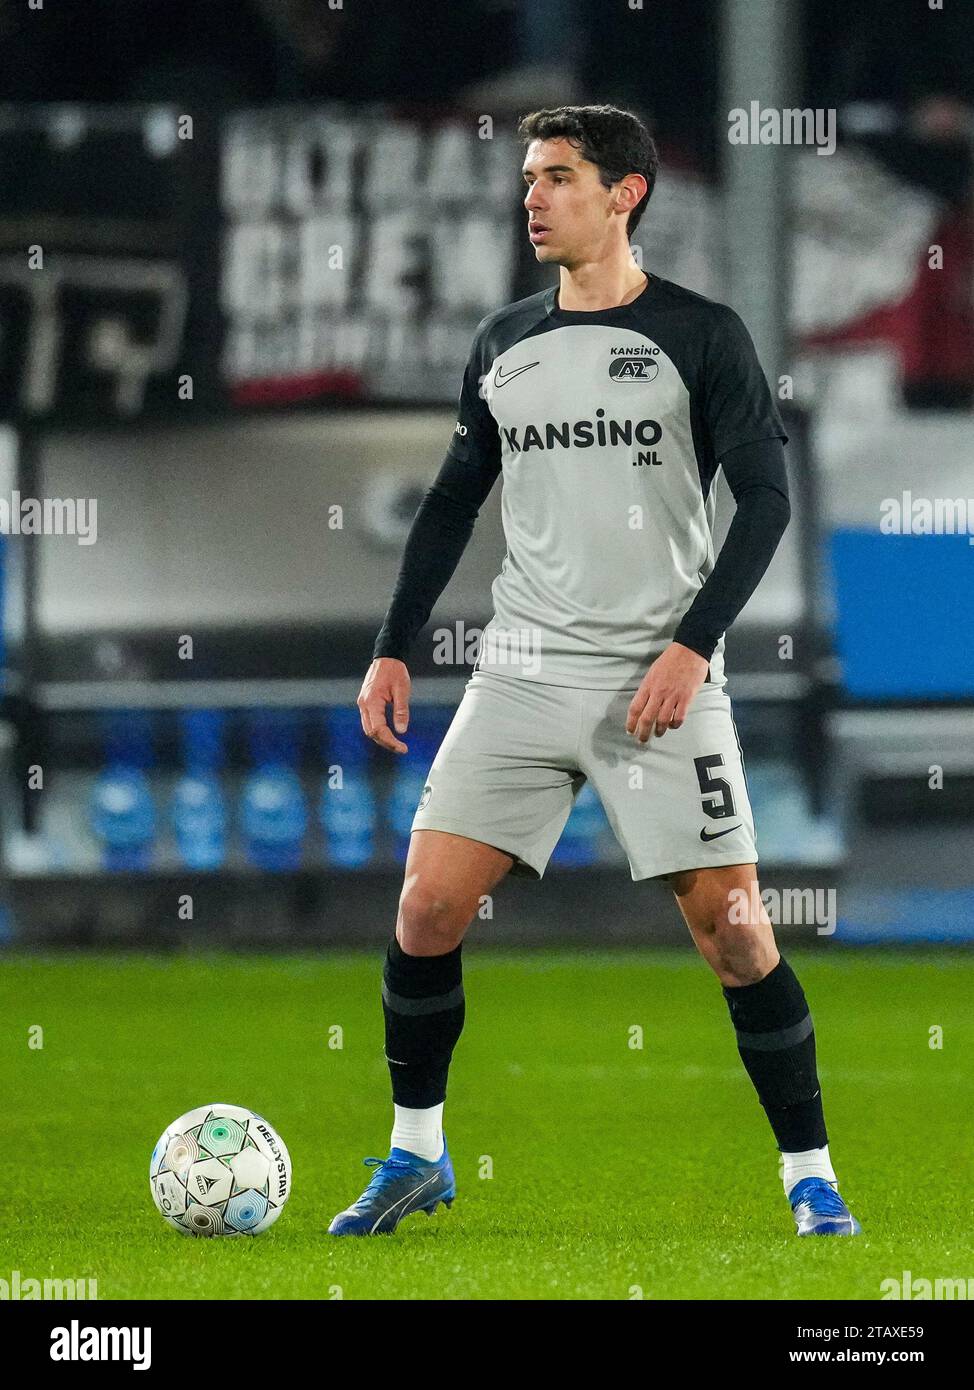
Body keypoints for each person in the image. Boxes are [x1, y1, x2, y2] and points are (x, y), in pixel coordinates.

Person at [331, 105, 859, 1239]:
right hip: (520, 666)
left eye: (557, 177)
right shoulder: (502, 341)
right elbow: (450, 500)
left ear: (624, 194)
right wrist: (391, 643)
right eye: (527, 177)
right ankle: (415, 1155)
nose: (531, 196)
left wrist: (690, 644)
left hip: (655, 678)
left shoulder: (703, 334)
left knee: (733, 931)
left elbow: (764, 501)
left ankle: (809, 1177)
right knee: (425, 906)